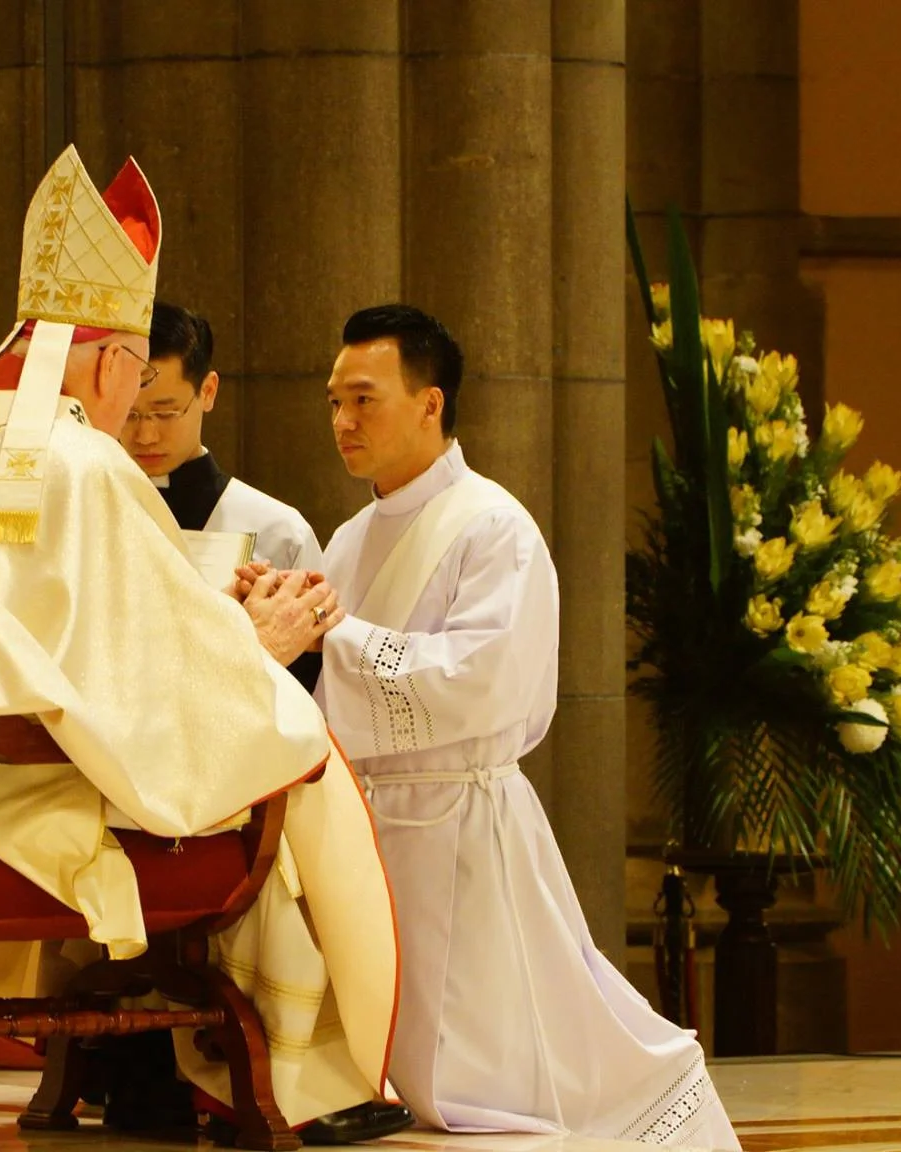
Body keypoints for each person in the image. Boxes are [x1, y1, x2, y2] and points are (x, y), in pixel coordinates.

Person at [0, 146, 410, 1145]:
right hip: (11, 814)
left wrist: (221, 636)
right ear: (107, 362)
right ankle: (309, 1071)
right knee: (296, 757)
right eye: (134, 376)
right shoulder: (83, 464)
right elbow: (161, 702)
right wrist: (256, 648)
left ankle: (165, 1067)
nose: (130, 403)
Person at [259, 304, 740, 1145]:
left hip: (463, 825)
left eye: (364, 399)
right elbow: (327, 686)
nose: (342, 421)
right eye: (334, 401)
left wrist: (332, 635)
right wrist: (275, 622)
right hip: (368, 827)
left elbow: (480, 681)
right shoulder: (349, 539)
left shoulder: (493, 526)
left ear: (430, 403)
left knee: (500, 1070)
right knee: (400, 1061)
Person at [124, 302, 322, 572]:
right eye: (129, 413)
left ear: (207, 391)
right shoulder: (86, 518)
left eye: (165, 413)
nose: (145, 436)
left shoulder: (280, 533)